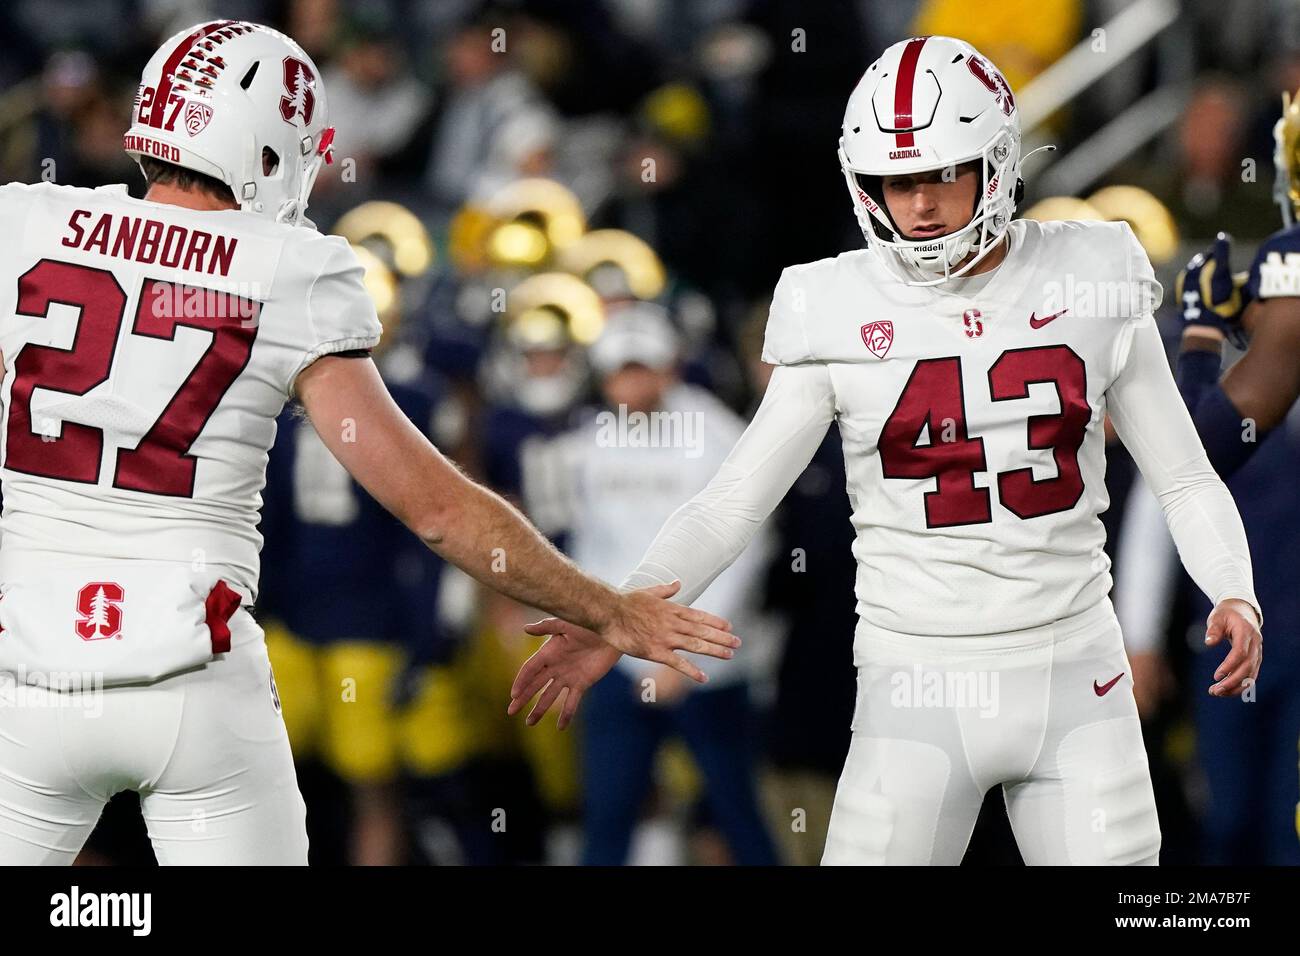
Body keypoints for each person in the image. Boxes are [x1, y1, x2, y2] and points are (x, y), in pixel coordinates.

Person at [509, 35, 1263, 866]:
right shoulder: (832, 301)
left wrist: (1234, 587)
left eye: (945, 173)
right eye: (899, 182)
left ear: (999, 162)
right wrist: (618, 612)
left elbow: (1184, 474)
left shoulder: (1093, 271)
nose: (924, 205)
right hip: (914, 684)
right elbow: (734, 499)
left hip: (1076, 676)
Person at [0, 19, 737, 866]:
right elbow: (435, 510)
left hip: (32, 674)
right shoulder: (291, 272)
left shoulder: (25, 223)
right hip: (190, 683)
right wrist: (606, 609)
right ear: (271, 150)